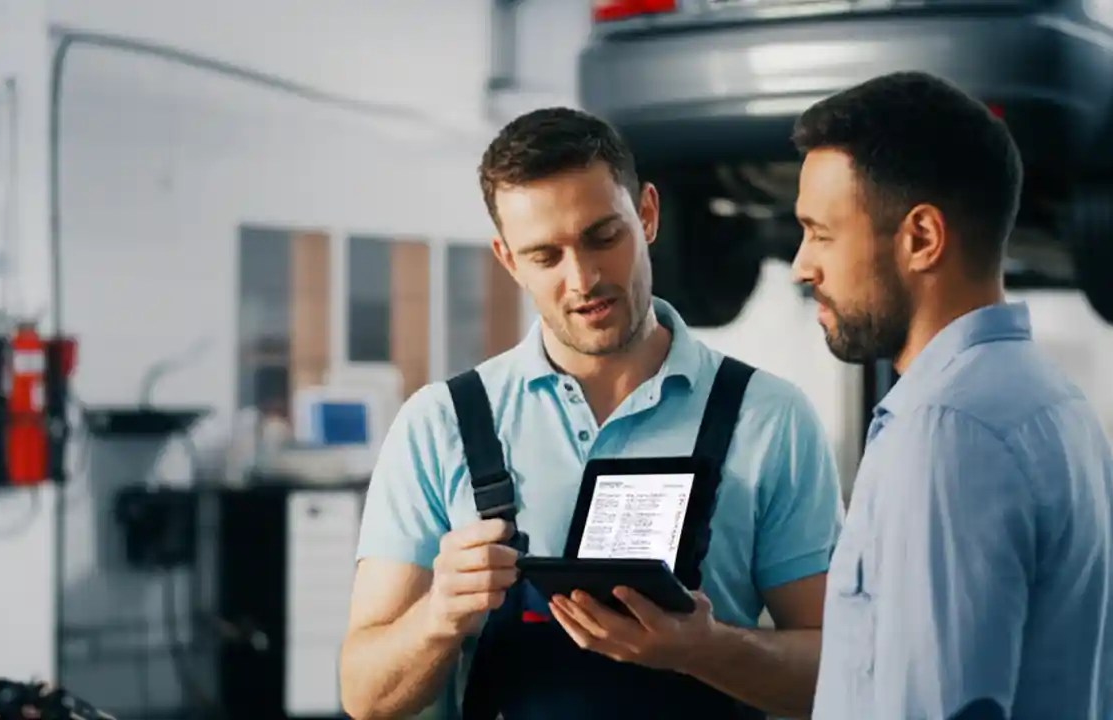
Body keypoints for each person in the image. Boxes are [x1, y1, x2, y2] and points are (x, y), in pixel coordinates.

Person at [340, 107, 843, 719]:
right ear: (508, 259)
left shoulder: (770, 419)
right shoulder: (439, 424)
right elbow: (365, 696)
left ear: (649, 215)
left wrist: (706, 650)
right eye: (545, 257)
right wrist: (439, 616)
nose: (583, 280)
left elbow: (841, 677)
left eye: (604, 237)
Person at [791, 71, 1113, 720]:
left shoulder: (948, 431)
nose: (803, 265)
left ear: (921, 238)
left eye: (821, 233)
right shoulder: (1050, 402)